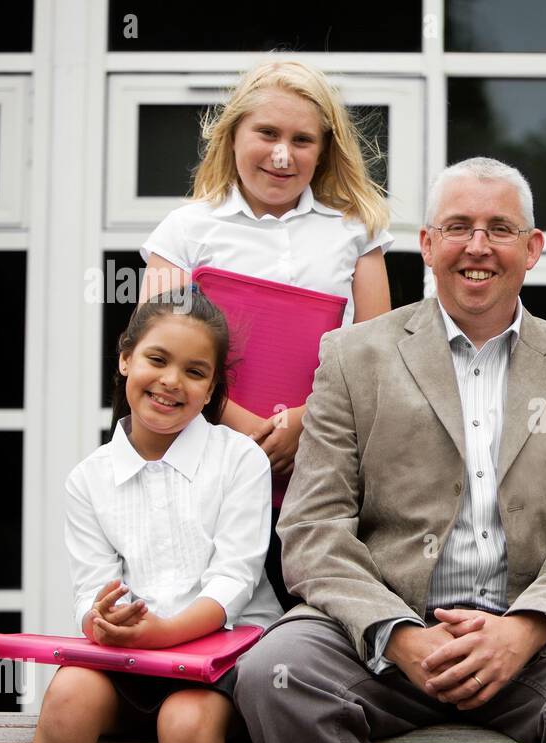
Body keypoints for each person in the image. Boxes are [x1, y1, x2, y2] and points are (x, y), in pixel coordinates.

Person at [233, 157, 546, 743]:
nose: (478, 246)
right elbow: (314, 526)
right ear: (428, 244)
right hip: (383, 642)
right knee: (275, 672)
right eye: (459, 227)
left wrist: (524, 629)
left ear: (533, 248)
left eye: (500, 229)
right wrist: (398, 634)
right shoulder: (352, 357)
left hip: (541, 646)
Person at [25, 287, 282, 743]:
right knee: (66, 698)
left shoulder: (240, 460)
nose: (171, 381)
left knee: (183, 724)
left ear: (212, 389)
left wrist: (163, 633)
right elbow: (90, 593)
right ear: (125, 359)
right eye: (157, 360)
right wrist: (101, 619)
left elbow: (233, 581)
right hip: (132, 659)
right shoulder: (88, 480)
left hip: (225, 659)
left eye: (194, 371)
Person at [139, 60, 394, 609]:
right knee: (201, 629)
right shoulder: (184, 230)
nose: (283, 155)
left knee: (305, 632)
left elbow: (376, 361)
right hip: (199, 475)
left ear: (324, 150)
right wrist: (245, 428)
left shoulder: (356, 232)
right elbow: (155, 360)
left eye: (302, 140)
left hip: (317, 480)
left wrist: (305, 423)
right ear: (232, 135)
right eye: (267, 133)